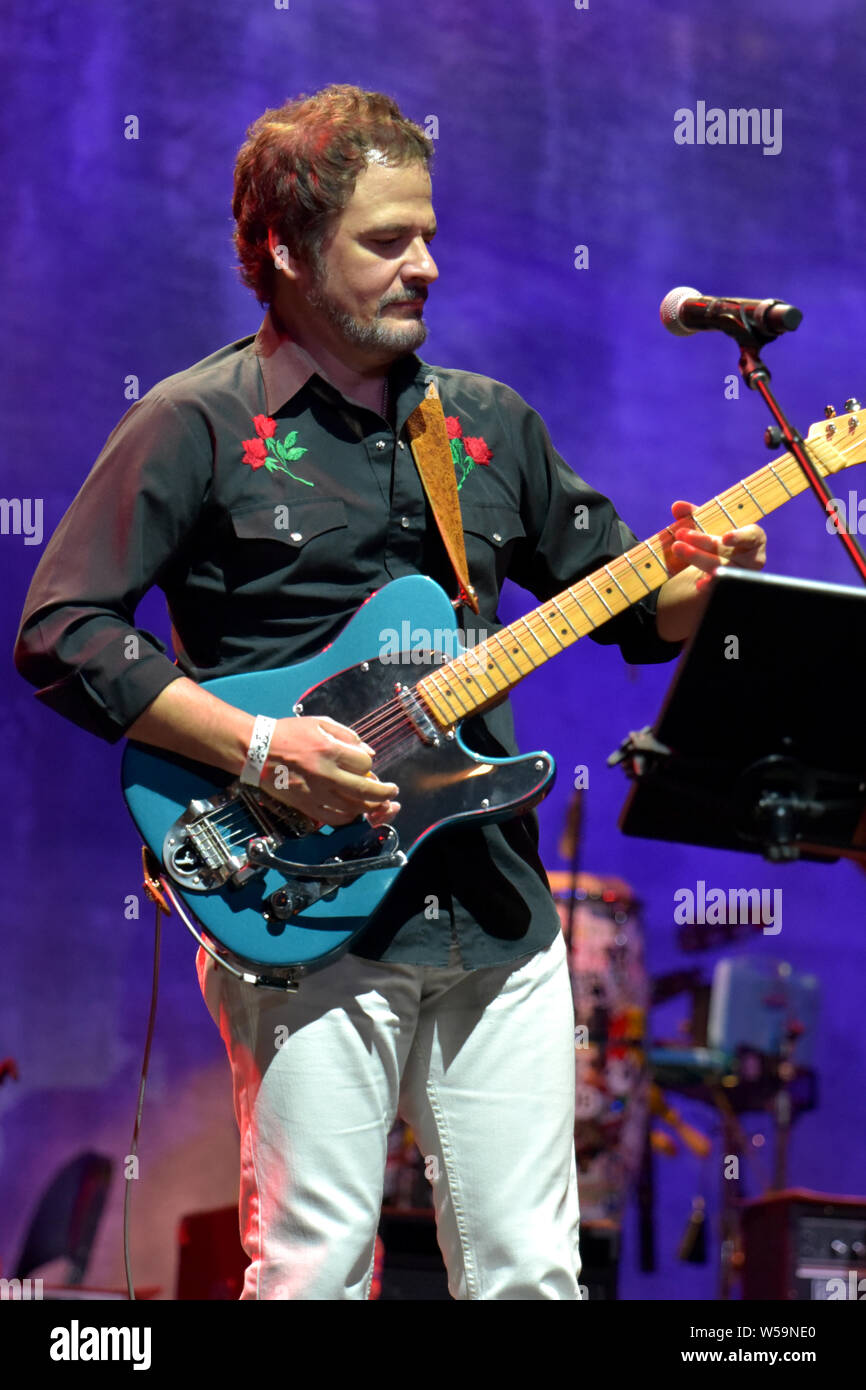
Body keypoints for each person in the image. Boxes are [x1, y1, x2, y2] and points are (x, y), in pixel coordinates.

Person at [14, 84, 766, 1300]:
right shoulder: (196, 424)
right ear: (281, 248)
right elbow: (61, 631)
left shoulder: (482, 425)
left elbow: (636, 611)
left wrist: (705, 582)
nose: (425, 264)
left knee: (531, 1273)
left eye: (427, 233)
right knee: (312, 1274)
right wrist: (261, 748)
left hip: (492, 905)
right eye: (384, 240)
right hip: (297, 899)